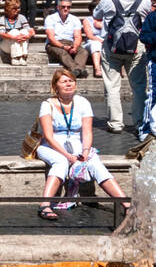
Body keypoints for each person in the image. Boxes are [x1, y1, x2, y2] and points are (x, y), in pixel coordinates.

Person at [35, 69, 129, 222]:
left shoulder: (83, 102)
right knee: (61, 162)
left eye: (71, 80)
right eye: (63, 81)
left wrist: (85, 152)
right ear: (55, 86)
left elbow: (87, 133)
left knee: (95, 163)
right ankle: (45, 204)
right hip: (51, 146)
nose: (68, 84)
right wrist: (69, 157)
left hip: (76, 144)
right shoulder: (47, 104)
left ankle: (126, 204)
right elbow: (48, 136)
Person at [93, 0, 152, 134]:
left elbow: (96, 16)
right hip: (136, 47)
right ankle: (140, 121)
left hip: (112, 47)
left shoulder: (107, 0)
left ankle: (116, 123)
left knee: (112, 86)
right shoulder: (145, 1)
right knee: (139, 86)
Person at [43, 0, 90, 78]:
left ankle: (76, 70)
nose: (66, 9)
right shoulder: (50, 18)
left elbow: (78, 36)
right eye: (63, 6)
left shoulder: (74, 19)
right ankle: (78, 69)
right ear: (58, 7)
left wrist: (75, 47)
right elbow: (51, 37)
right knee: (63, 52)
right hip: (54, 44)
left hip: (70, 42)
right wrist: (63, 47)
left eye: (68, 7)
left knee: (84, 52)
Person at [0, 0, 35, 64]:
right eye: (14, 9)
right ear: (8, 9)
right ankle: (15, 57)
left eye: (18, 8)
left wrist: (27, 36)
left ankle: (22, 56)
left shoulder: (22, 17)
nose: (17, 10)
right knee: (14, 32)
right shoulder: (2, 19)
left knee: (24, 31)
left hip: (19, 43)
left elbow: (31, 31)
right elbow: (2, 34)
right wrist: (14, 37)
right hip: (6, 45)